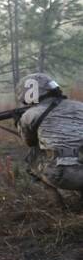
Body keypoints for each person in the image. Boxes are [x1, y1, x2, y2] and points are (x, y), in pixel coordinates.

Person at [15, 73, 83, 204]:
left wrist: (19, 123)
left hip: (62, 176)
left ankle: (57, 204)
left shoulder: (30, 114)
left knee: (32, 156)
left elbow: (29, 142)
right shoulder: (80, 106)